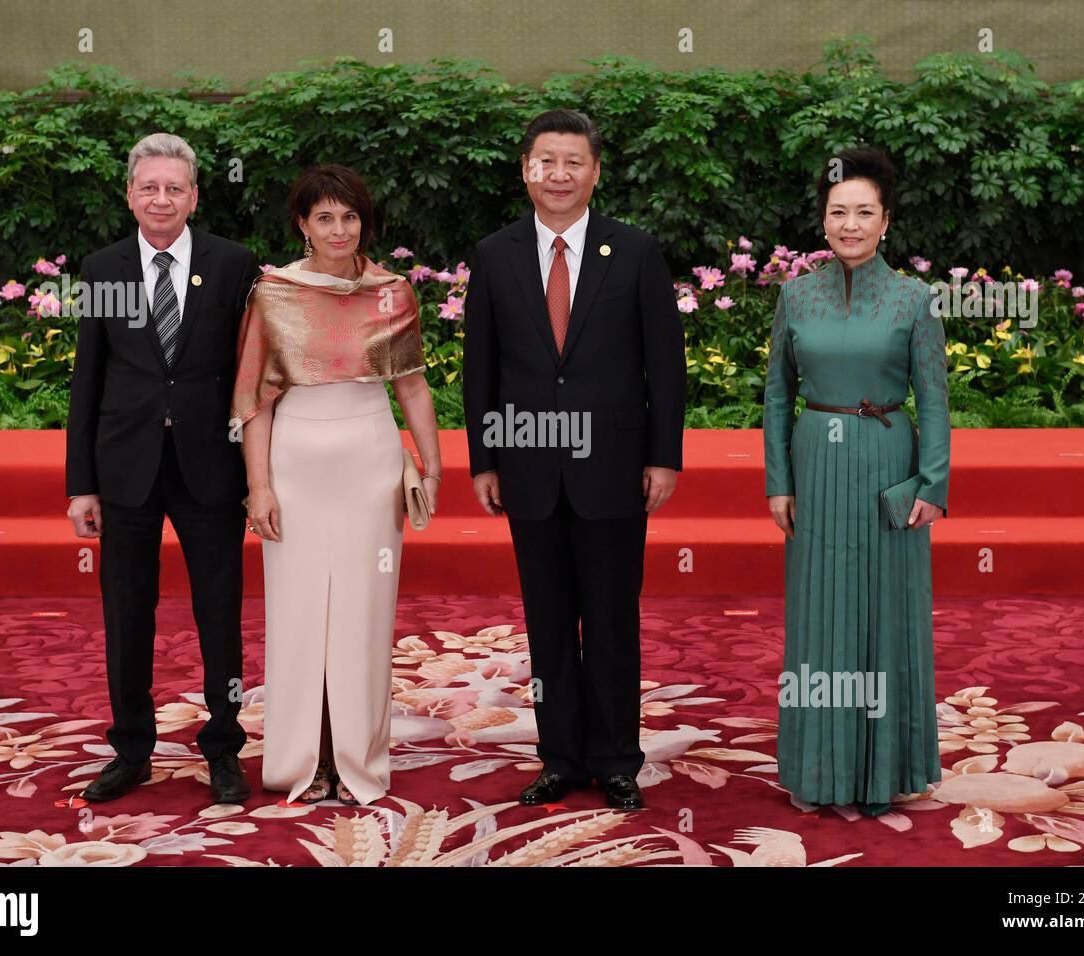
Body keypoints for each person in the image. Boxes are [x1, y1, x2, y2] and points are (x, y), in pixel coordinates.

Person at [462, 109, 686, 811]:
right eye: (545, 161)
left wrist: (663, 456)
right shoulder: (495, 255)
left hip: (614, 468)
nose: (558, 175)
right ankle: (559, 756)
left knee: (613, 618)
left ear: (595, 172)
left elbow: (665, 365)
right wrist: (484, 460)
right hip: (528, 468)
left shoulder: (637, 251)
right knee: (548, 620)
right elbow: (481, 368)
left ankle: (617, 757)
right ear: (525, 168)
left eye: (573, 162)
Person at [233, 164, 439, 806]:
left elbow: (411, 382)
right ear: (302, 224)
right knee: (295, 612)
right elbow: (256, 403)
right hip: (294, 458)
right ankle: (301, 761)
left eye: (350, 216)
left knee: (364, 614)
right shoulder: (273, 294)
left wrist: (431, 465)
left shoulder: (392, 292)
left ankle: (358, 760)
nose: (339, 229)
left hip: (371, 458)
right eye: (325, 217)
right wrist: (259, 487)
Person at [66, 132, 257, 804]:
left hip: (212, 467)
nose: (161, 198)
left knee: (220, 614)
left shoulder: (234, 265)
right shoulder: (104, 268)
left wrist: (259, 470)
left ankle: (224, 748)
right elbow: (87, 379)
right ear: (129, 194)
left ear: (195, 195)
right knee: (127, 612)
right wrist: (79, 484)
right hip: (127, 468)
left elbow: (250, 371)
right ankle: (131, 749)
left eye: (175, 187)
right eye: (149, 186)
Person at [763, 146, 950, 816]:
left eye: (863, 212)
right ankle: (820, 770)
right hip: (815, 461)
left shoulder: (914, 298)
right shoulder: (795, 294)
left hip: (887, 465)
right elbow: (778, 397)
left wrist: (932, 485)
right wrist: (778, 482)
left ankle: (888, 769)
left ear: (886, 221)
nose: (850, 224)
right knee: (818, 614)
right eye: (838, 212)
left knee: (887, 613)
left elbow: (933, 397)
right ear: (822, 220)